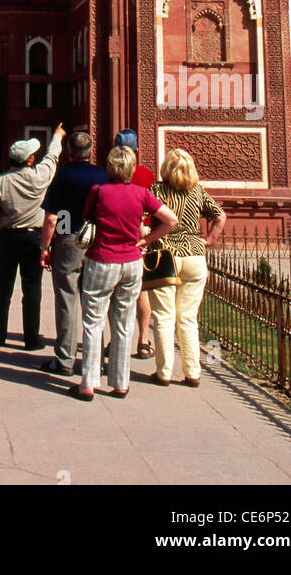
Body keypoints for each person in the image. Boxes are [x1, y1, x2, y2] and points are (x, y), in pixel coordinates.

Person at [75, 146, 177, 400]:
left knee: (93, 322)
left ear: (109, 167)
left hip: (101, 261)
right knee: (123, 324)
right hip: (132, 262)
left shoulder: (98, 192)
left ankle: (88, 383)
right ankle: (120, 383)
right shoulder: (142, 193)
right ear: (132, 168)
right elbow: (171, 220)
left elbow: (86, 218)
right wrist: (148, 239)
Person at [0, 127, 65, 349]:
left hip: (8, 239)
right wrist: (57, 136)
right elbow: (52, 156)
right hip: (33, 239)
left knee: (2, 288)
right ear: (29, 160)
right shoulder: (40, 177)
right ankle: (31, 339)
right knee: (32, 289)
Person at [147, 148, 226, 387]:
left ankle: (163, 373)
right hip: (194, 256)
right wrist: (210, 240)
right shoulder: (198, 192)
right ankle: (192, 373)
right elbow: (220, 216)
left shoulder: (156, 190)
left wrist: (147, 238)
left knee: (163, 316)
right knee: (188, 318)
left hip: (165, 256)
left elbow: (140, 217)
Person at [39, 129, 107, 375]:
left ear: (68, 153)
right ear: (91, 152)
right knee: (95, 302)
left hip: (69, 239)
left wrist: (45, 248)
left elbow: (51, 218)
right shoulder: (103, 175)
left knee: (67, 301)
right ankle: (95, 361)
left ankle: (65, 360)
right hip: (97, 240)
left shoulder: (63, 175)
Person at [113, 128, 156, 360]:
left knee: (115, 291)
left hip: (115, 235)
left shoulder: (108, 173)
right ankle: (143, 341)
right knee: (141, 291)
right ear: (137, 150)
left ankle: (115, 341)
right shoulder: (147, 175)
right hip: (141, 237)